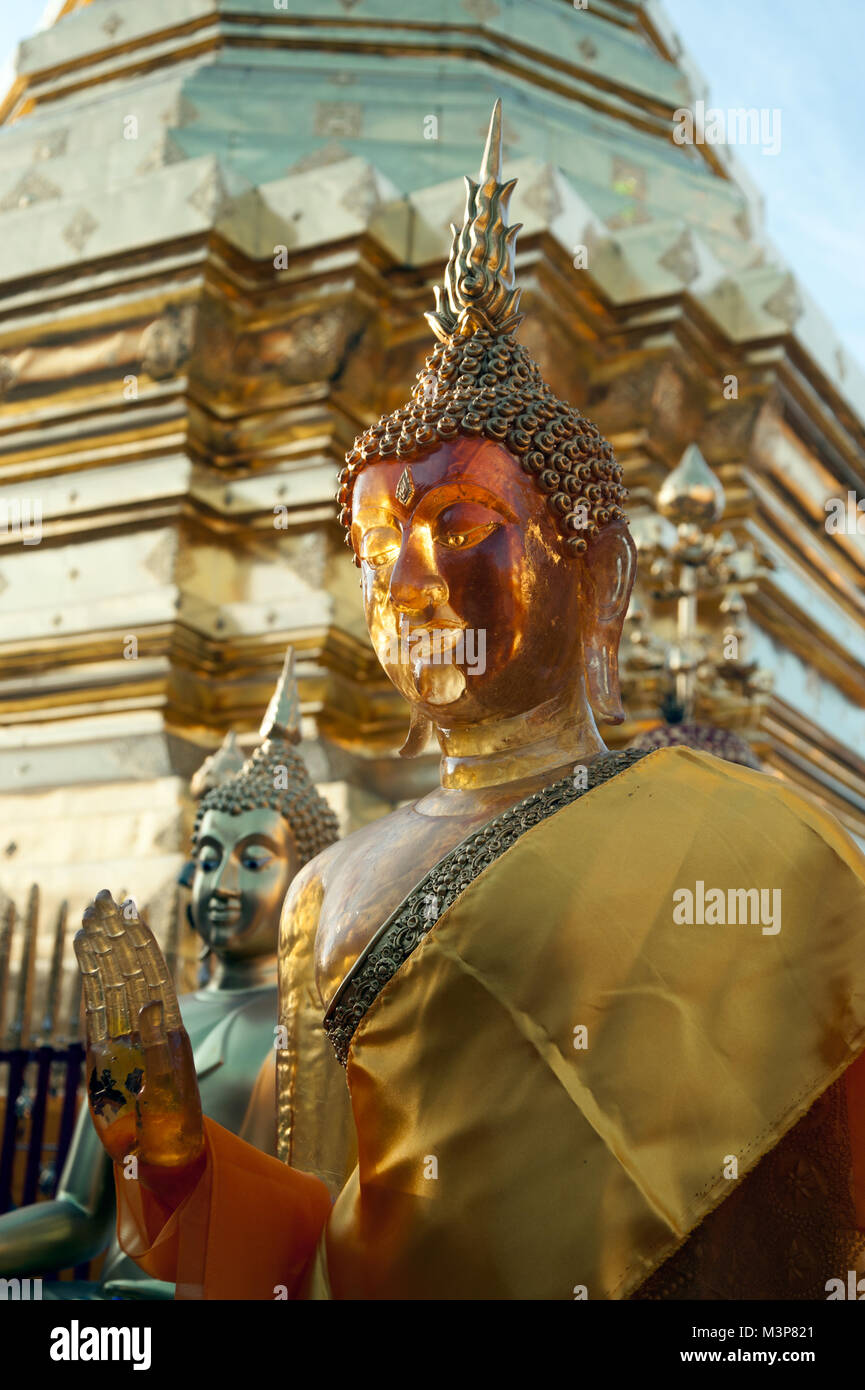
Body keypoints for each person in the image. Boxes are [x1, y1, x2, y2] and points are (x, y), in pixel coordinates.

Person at [73, 104, 865, 1301]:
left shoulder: (764, 848)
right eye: (379, 539)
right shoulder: (324, 890)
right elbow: (318, 1234)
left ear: (587, 565)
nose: (406, 577)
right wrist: (178, 1155)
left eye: (459, 524)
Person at [0, 649, 349, 1298]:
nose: (219, 883)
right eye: (209, 855)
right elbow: (79, 1216)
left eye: (253, 860)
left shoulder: (313, 1029)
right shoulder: (146, 1014)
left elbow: (325, 1223)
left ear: (303, 879)